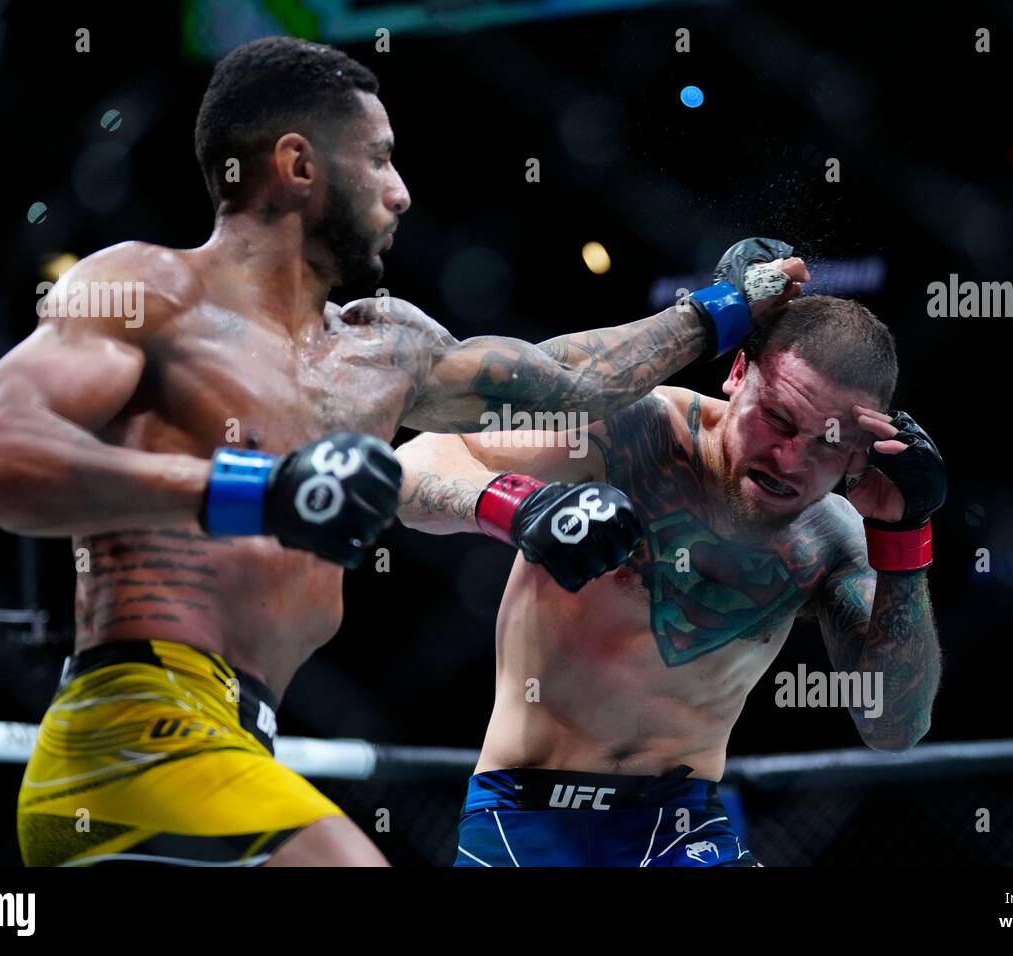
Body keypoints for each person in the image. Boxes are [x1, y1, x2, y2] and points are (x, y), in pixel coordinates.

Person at [0, 35, 805, 866]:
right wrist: (261, 489)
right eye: (380, 158)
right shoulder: (148, 288)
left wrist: (722, 308)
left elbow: (567, 381)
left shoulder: (384, 348)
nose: (402, 192)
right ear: (300, 165)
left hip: (240, 742)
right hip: (130, 731)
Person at [397, 293, 946, 866]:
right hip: (522, 814)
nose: (789, 458)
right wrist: (520, 507)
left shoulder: (833, 537)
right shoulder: (630, 433)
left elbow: (893, 728)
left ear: (862, 453)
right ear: (738, 373)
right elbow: (415, 467)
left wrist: (906, 540)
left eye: (827, 444)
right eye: (778, 419)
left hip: (681, 829)